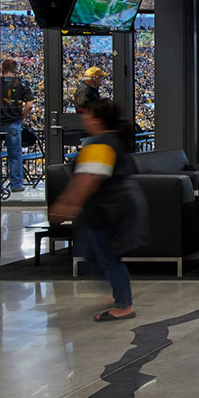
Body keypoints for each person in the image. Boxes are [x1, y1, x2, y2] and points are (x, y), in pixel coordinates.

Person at [49, 99, 146, 323]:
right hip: (115, 207)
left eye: (87, 115)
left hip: (109, 209)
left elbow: (89, 178)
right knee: (96, 254)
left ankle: (124, 305)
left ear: (96, 119)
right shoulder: (112, 140)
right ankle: (116, 293)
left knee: (109, 257)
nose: (83, 119)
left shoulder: (101, 145)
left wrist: (68, 204)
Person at [0, 57, 35, 190]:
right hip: (13, 123)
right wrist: (21, 117)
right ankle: (16, 185)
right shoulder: (21, 83)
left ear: (2, 70)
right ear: (15, 70)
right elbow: (30, 105)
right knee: (15, 155)